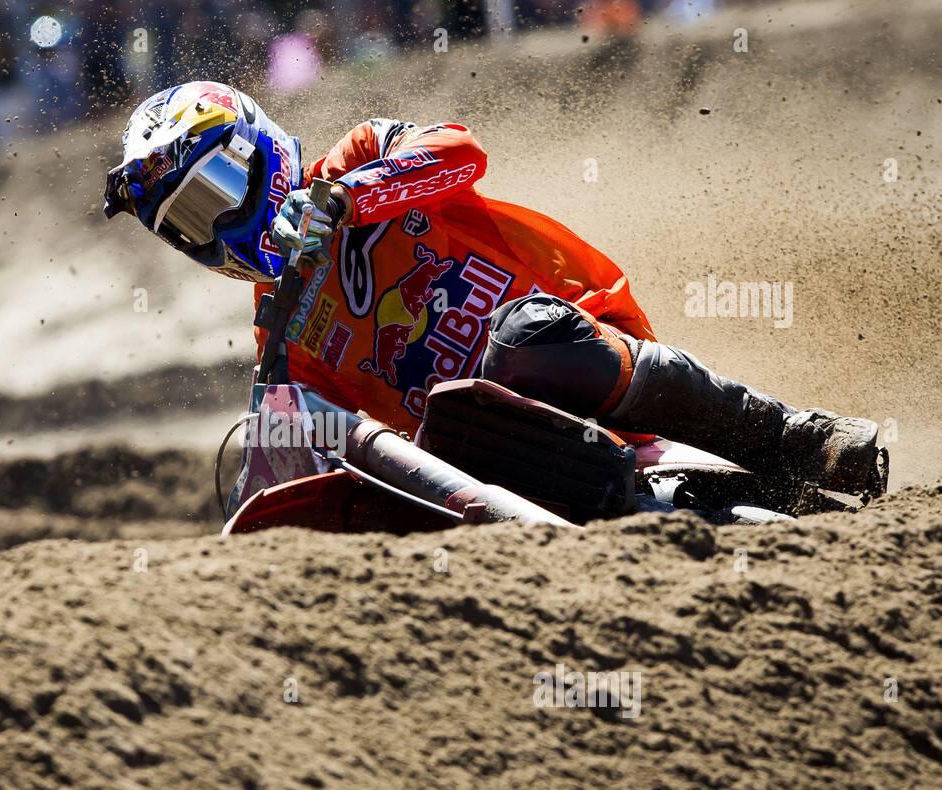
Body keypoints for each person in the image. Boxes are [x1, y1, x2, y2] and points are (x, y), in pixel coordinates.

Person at [103, 81, 882, 494]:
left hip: (578, 332)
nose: (218, 231)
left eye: (218, 192)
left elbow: (460, 151)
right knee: (450, 430)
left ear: (258, 147)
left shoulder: (364, 154)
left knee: (520, 345)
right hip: (499, 444)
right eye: (189, 225)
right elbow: (313, 450)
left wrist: (346, 199)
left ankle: (800, 437)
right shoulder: (283, 341)